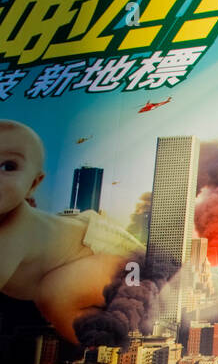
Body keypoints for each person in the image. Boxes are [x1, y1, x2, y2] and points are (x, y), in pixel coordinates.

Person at [0, 120, 146, 344]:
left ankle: (101, 346)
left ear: (33, 184)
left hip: (107, 252)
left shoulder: (12, 229)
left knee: (56, 293)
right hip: (83, 242)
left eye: (7, 167)